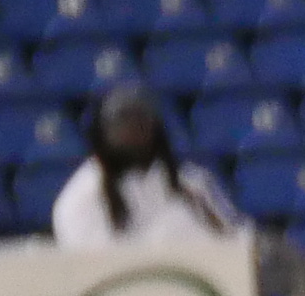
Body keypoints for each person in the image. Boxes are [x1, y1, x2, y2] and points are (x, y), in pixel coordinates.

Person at [51, 82, 242, 247]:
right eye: (122, 123)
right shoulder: (82, 196)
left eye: (141, 122)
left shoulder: (192, 182)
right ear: (103, 134)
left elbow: (236, 242)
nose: (133, 131)